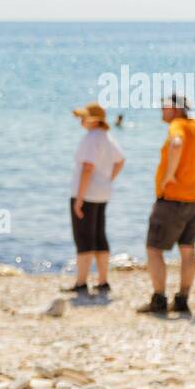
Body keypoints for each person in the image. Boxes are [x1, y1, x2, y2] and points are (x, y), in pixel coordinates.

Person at [138, 95, 195, 316]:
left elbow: (177, 143)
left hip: (172, 199)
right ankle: (182, 299)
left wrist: (169, 175)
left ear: (173, 108)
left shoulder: (177, 125)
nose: (161, 110)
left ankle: (159, 299)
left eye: (163, 106)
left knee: (154, 249)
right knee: (188, 249)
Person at [65, 103, 125, 296]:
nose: (80, 121)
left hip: (88, 193)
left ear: (93, 120)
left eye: (83, 117)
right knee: (99, 235)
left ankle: (81, 282)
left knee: (83, 236)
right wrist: (107, 179)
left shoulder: (91, 138)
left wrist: (79, 198)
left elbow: (87, 167)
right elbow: (121, 160)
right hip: (102, 193)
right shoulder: (106, 137)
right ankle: (103, 280)